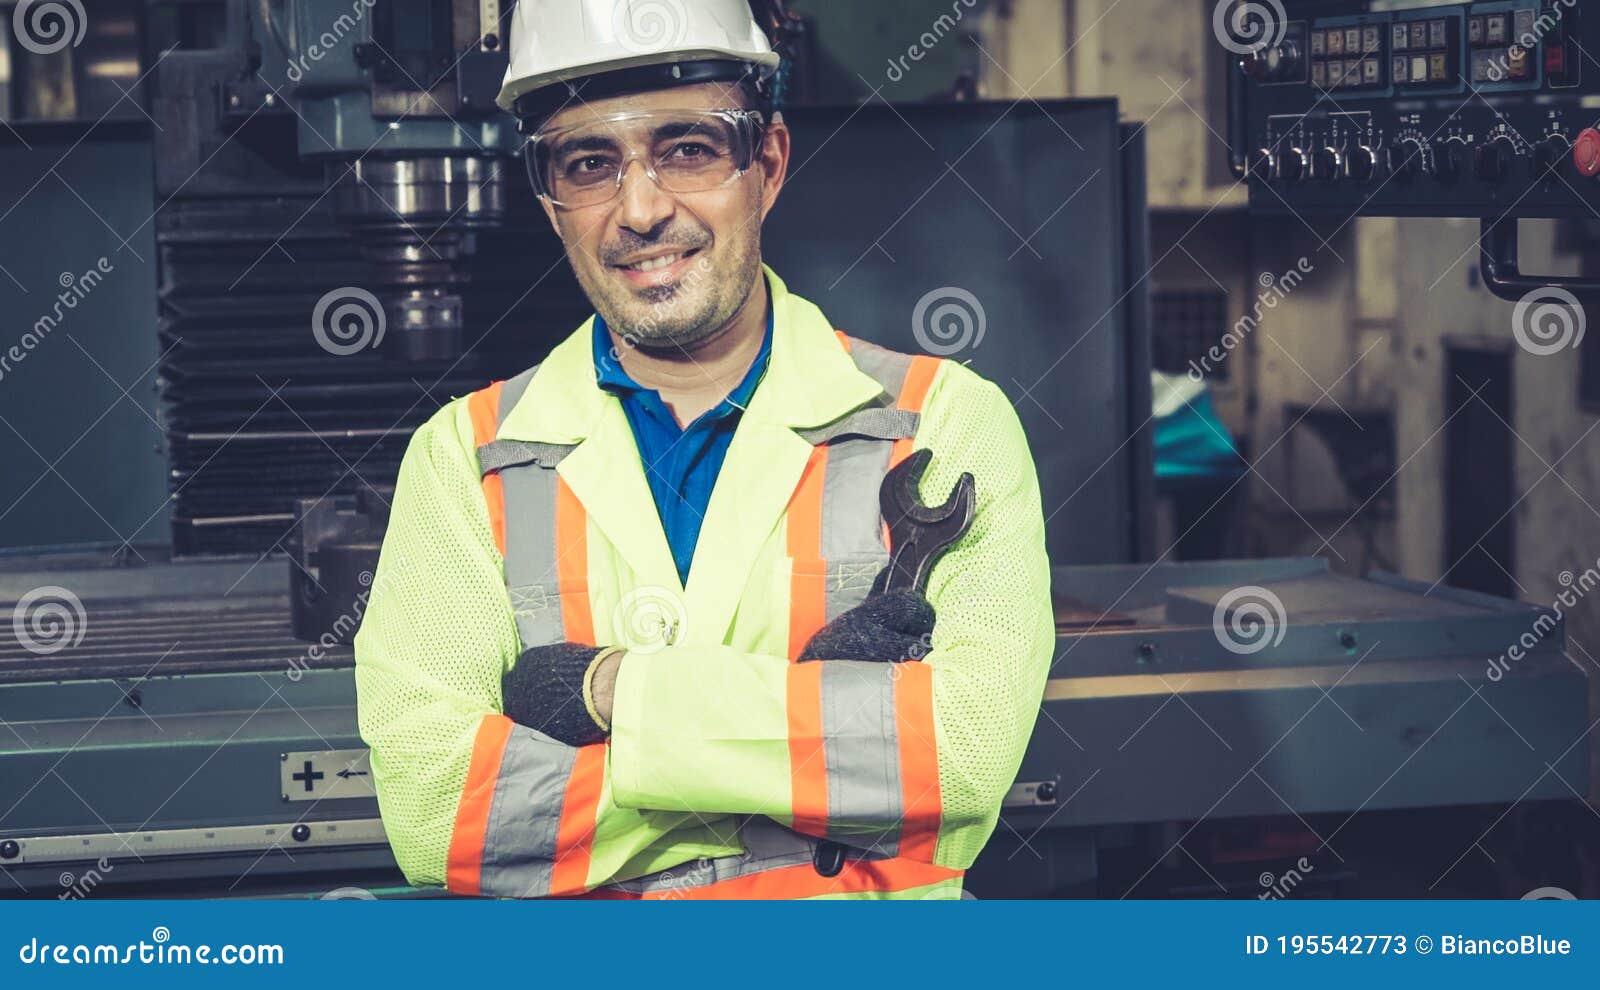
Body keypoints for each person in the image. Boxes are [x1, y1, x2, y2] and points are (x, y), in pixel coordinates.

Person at [353, 0, 1053, 899]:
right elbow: (439, 815)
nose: (640, 211)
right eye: (589, 162)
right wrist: (824, 755)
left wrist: (605, 693)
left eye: (687, 148)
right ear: (549, 200)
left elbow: (958, 756)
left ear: (768, 162)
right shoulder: (466, 458)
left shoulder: (942, 422)